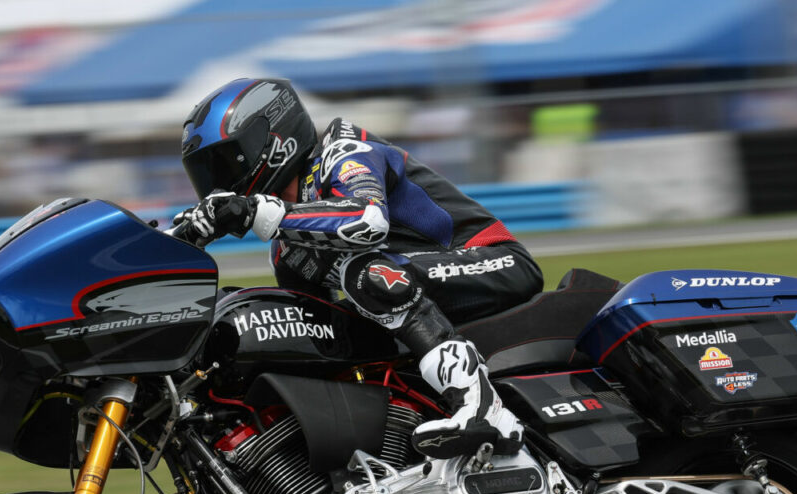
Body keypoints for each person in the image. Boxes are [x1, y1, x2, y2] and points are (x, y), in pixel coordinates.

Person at [174, 77, 542, 460]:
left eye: (223, 166)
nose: (217, 188)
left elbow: (367, 220)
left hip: (494, 260)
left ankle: (485, 410)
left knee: (369, 275)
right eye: (206, 176)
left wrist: (256, 212)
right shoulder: (287, 250)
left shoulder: (345, 148)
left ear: (273, 142)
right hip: (423, 289)